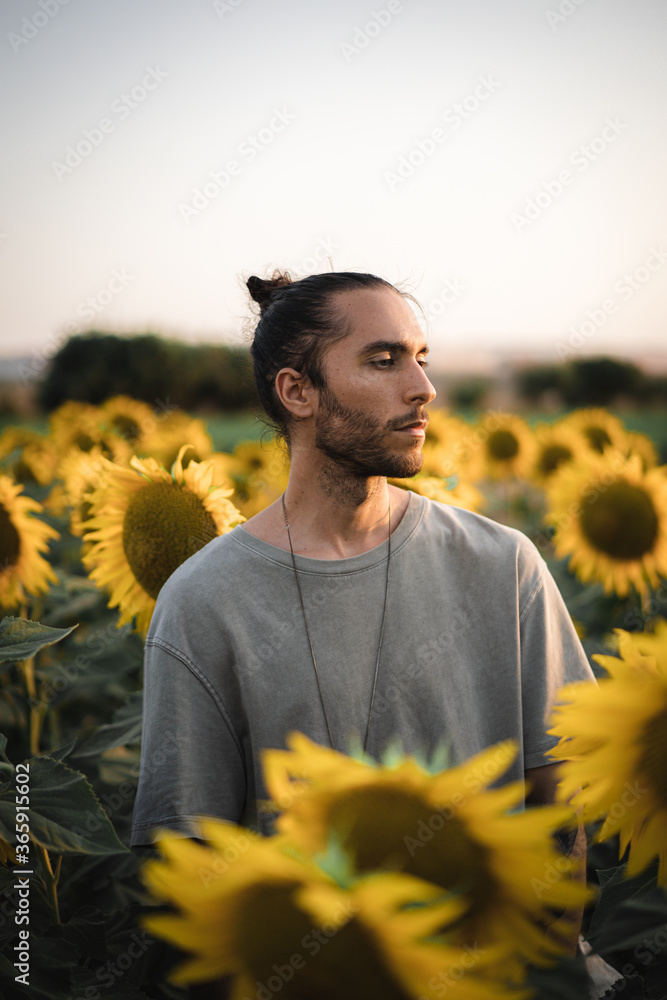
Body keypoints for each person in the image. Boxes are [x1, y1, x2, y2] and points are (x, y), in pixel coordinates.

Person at [131, 270, 596, 993]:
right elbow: (188, 858)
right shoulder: (204, 601)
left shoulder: (502, 565)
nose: (422, 388)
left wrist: (552, 964)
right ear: (297, 393)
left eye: (421, 357)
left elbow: (558, 790)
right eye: (383, 361)